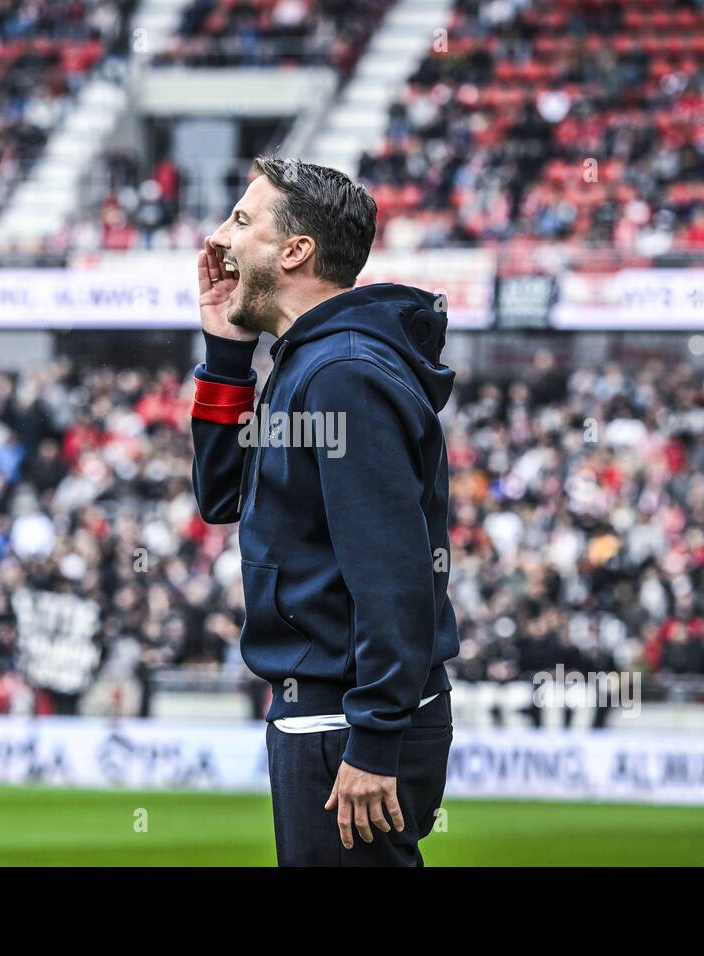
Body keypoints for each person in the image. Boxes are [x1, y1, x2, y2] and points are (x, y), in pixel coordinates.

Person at [189, 156, 460, 865]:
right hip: (331, 713)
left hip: (346, 720)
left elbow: (394, 576)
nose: (218, 238)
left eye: (241, 220)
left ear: (295, 251)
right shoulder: (309, 363)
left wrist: (371, 738)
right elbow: (223, 496)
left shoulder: (341, 372)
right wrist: (225, 354)